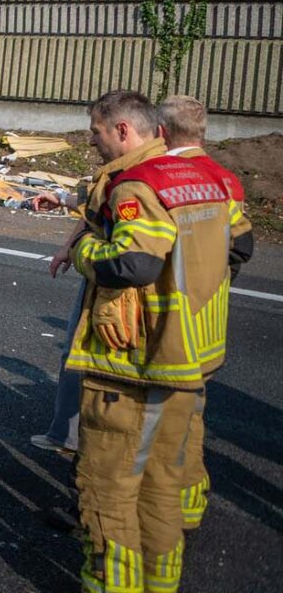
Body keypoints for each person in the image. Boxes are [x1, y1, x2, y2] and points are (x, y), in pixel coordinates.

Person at [56, 90, 232, 593]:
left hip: (133, 365)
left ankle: (113, 585)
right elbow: (238, 246)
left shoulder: (135, 184)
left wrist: (87, 249)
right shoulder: (205, 178)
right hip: (189, 360)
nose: (92, 141)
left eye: (96, 132)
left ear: (123, 132)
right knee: (160, 488)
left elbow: (134, 263)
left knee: (107, 491)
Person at [157, 95, 253, 533]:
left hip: (173, 330)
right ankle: (192, 505)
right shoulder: (225, 179)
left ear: (162, 131)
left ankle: (165, 511)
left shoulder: (161, 179)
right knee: (193, 418)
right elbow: (243, 246)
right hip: (210, 329)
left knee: (166, 428)